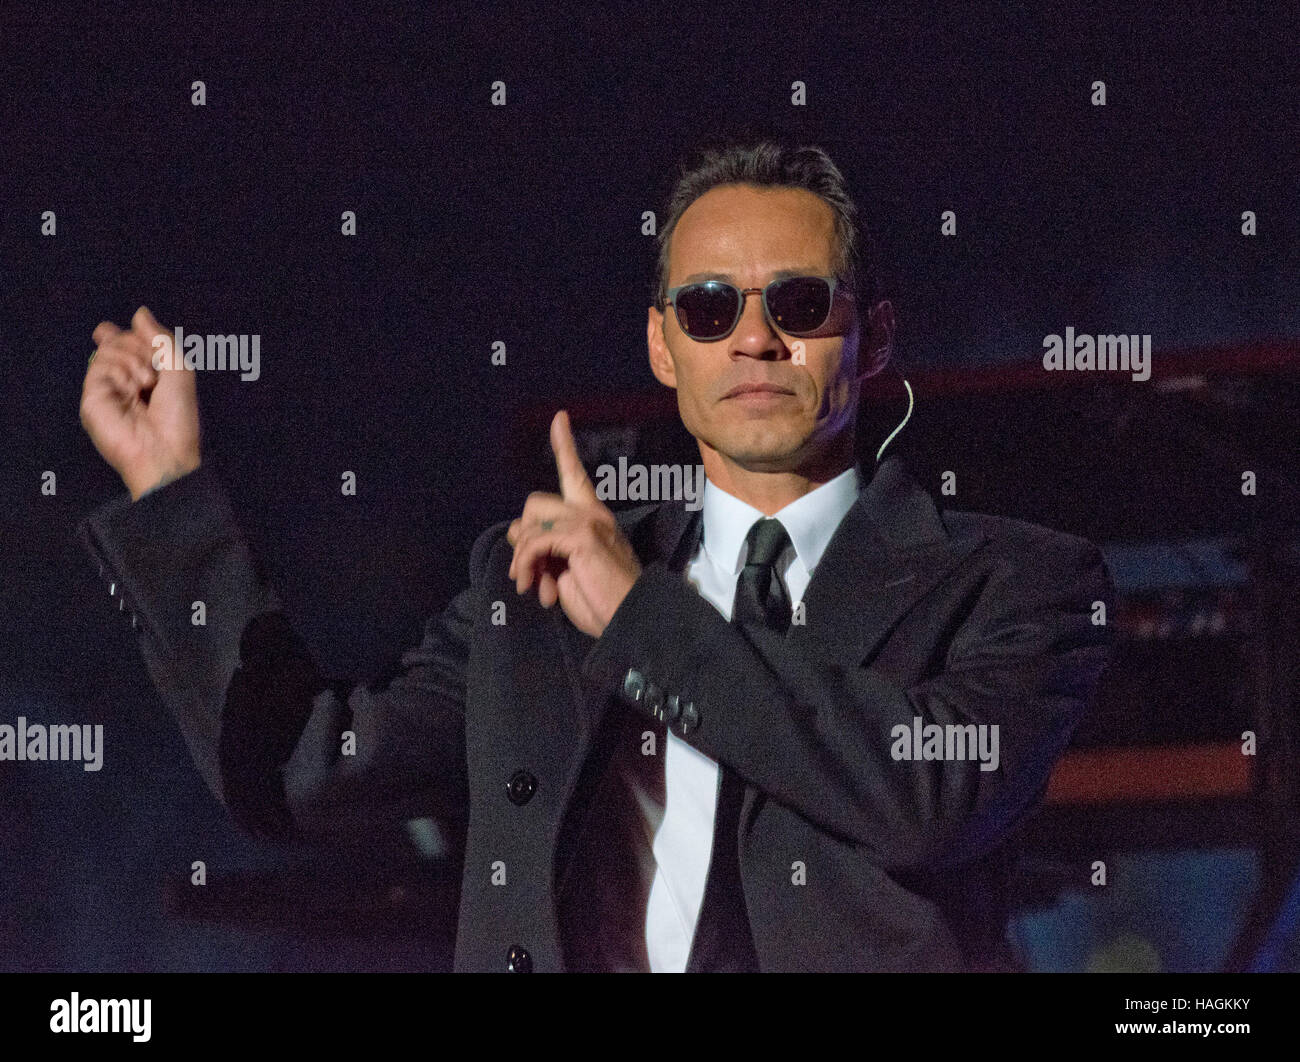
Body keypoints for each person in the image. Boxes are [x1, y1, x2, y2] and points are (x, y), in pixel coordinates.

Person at [77, 138, 1114, 972]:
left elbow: (925, 802)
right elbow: (308, 774)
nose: (753, 340)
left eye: (797, 304)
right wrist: (171, 497)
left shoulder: (1015, 583)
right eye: (710, 308)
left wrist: (642, 623)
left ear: (873, 336)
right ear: (663, 347)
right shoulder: (532, 588)